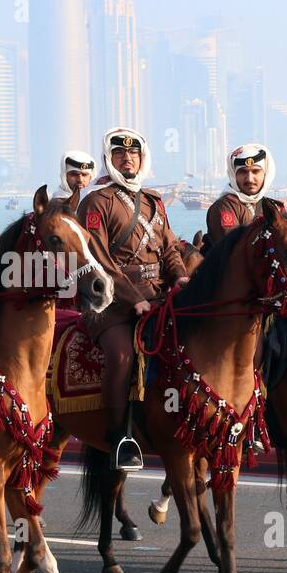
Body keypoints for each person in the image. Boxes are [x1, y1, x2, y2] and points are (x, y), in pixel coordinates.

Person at [77, 127, 189, 472]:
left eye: (134, 154)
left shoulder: (154, 201)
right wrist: (130, 297)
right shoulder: (95, 201)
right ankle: (119, 437)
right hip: (110, 303)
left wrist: (182, 277)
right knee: (122, 355)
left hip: (157, 296)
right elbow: (96, 258)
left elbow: (169, 247)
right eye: (120, 154)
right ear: (108, 159)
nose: (128, 159)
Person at [206, 143, 275, 246]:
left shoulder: (273, 207)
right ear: (234, 175)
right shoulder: (224, 207)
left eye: (255, 171)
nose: (250, 179)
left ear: (265, 174)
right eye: (243, 172)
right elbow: (232, 250)